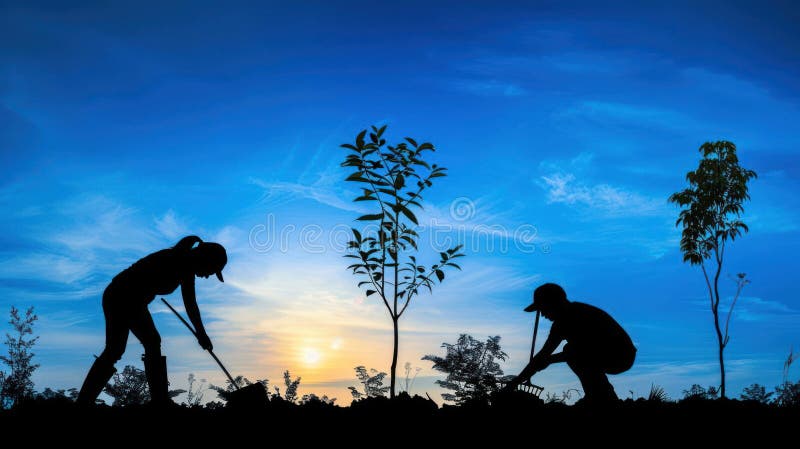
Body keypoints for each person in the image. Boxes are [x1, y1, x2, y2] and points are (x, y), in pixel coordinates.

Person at [77, 235, 227, 406]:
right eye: (211, 270)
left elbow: (190, 304)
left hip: (127, 297)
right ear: (206, 259)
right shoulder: (178, 261)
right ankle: (159, 401)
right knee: (138, 344)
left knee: (121, 348)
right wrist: (201, 333)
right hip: (123, 295)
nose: (208, 276)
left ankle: (85, 401)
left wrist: (201, 333)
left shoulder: (185, 266)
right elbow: (190, 304)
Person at [505, 283, 636, 404]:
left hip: (621, 355)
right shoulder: (560, 324)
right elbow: (543, 355)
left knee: (571, 351)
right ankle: (599, 395)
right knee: (572, 352)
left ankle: (602, 397)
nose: (543, 314)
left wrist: (549, 360)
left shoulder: (579, 314)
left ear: (554, 303)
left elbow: (585, 350)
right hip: (604, 354)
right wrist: (516, 382)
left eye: (543, 308)